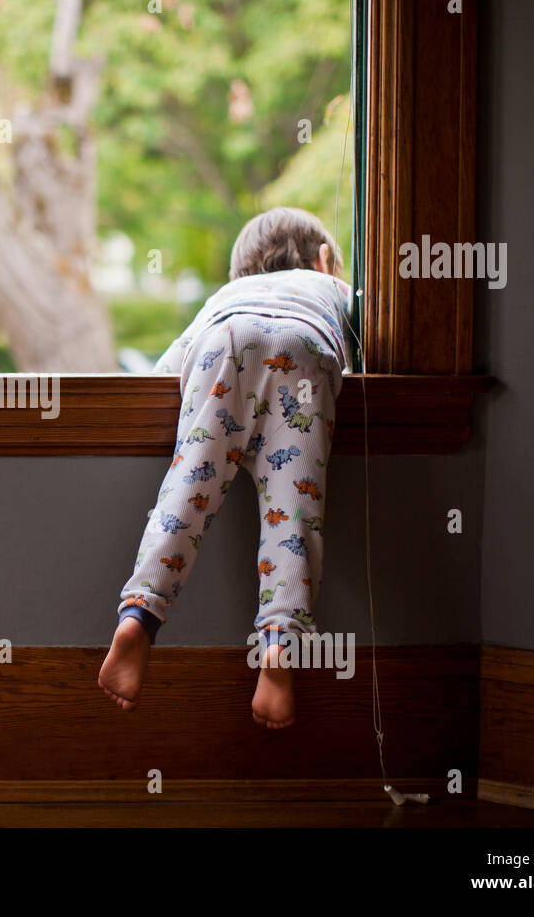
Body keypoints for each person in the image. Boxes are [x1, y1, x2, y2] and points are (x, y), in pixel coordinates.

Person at [97, 207, 354, 728]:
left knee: (186, 493)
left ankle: (139, 619)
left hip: (227, 341)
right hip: (307, 350)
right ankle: (280, 646)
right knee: (294, 515)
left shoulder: (226, 298)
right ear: (326, 261)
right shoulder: (334, 293)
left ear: (244, 271)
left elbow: (164, 371)